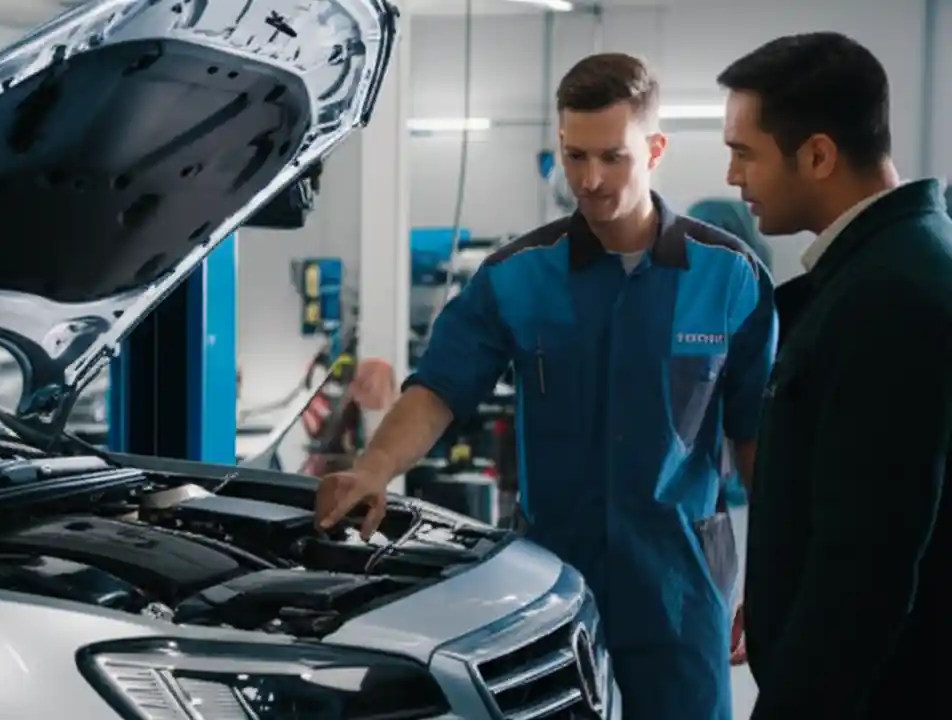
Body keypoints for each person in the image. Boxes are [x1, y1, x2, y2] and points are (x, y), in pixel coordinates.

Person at [315, 52, 777, 720]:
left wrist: (773, 575)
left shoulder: (729, 278)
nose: (589, 181)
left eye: (612, 157)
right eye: (574, 156)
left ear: (654, 148)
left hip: (681, 588)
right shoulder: (518, 276)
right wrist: (373, 468)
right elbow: (439, 388)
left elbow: (757, 440)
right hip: (549, 583)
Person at [718, 32, 951, 719]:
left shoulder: (892, 296)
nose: (733, 178)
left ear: (817, 154)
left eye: (744, 153)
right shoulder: (883, 266)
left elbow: (866, 567)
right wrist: (772, 598)